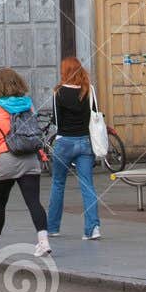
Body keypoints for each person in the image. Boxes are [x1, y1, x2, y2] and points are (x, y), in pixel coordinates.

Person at [0, 67, 49, 257]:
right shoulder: (28, 104)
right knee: (34, 202)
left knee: (0, 204)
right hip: (30, 159)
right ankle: (43, 242)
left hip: (6, 159)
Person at [45, 56, 101, 241]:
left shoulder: (58, 93)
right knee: (87, 185)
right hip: (85, 142)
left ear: (65, 72)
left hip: (64, 143)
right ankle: (93, 228)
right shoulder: (89, 90)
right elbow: (95, 115)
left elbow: (57, 122)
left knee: (58, 183)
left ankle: (52, 227)